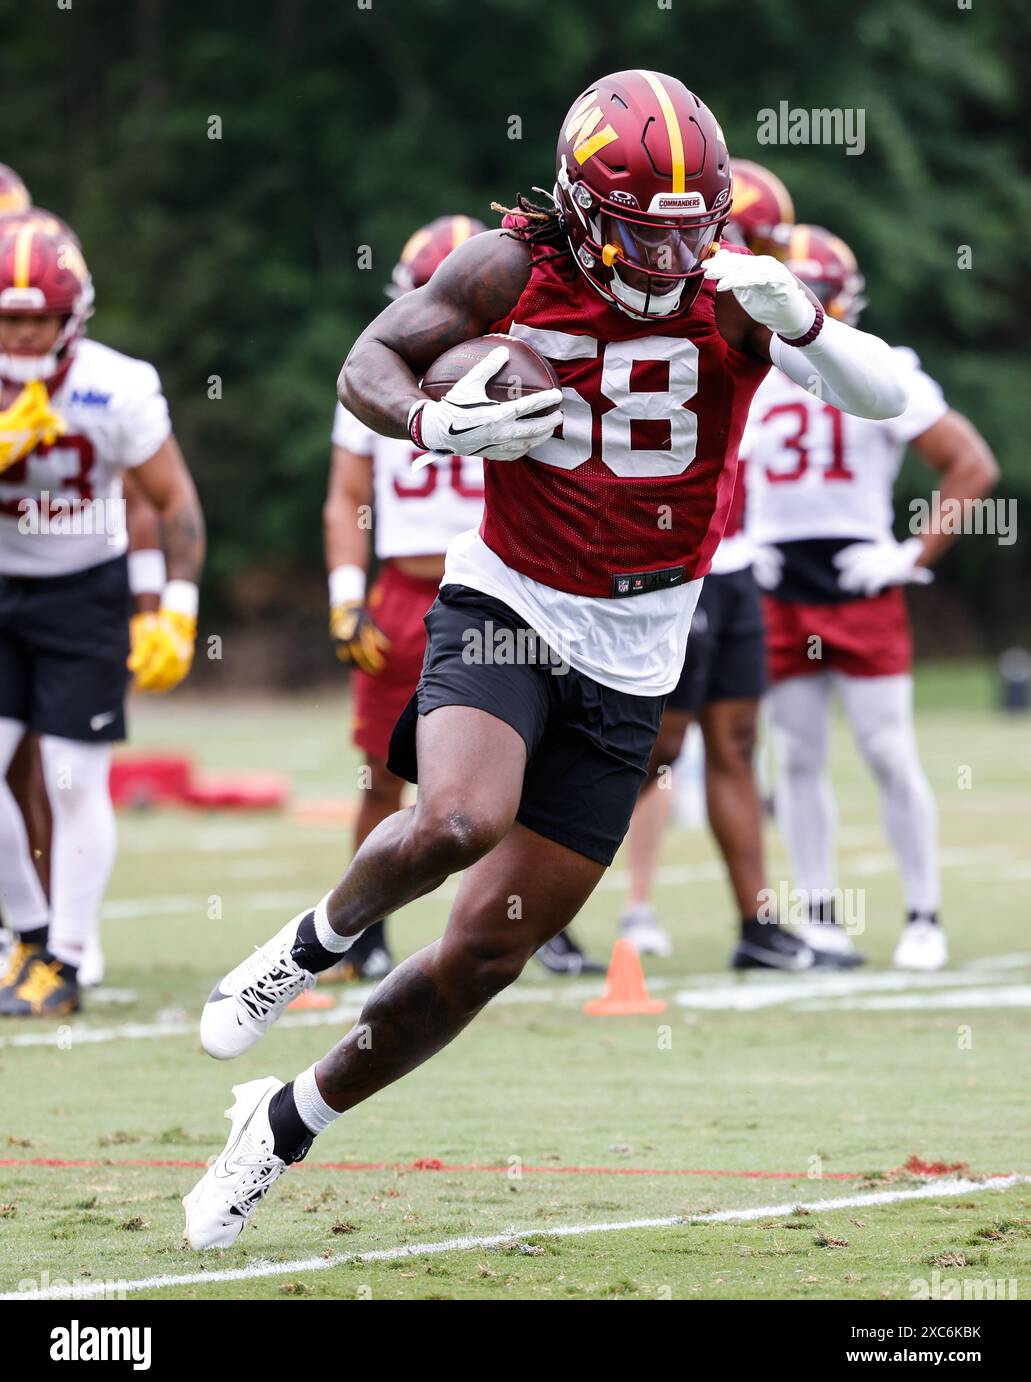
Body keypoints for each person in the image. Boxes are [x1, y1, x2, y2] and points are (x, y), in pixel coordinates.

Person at [184, 70, 907, 1251]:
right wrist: (435, 423)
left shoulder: (727, 292)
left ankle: (279, 1122)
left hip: (641, 639)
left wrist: (807, 322)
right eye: (640, 230)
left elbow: (876, 401)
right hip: (509, 595)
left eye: (689, 229)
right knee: (461, 817)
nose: (668, 256)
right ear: (578, 208)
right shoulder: (507, 267)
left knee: (485, 951)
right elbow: (366, 365)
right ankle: (304, 946)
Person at [324, 215, 604, 980]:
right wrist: (346, 596)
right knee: (384, 777)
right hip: (406, 590)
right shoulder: (383, 376)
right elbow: (347, 498)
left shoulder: (523, 362)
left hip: (502, 589)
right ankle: (361, 932)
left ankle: (529, 921)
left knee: (517, 775)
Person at [744, 225, 999, 970]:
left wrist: (907, 556)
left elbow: (970, 466)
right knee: (792, 756)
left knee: (888, 752)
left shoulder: (886, 372)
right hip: (776, 579)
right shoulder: (751, 370)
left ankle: (922, 915)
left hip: (857, 579)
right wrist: (737, 542)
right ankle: (820, 920)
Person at [618, 158, 849, 971]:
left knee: (734, 742)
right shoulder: (690, 314)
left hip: (738, 560)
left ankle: (757, 922)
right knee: (652, 748)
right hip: (677, 565)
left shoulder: (761, 315)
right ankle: (618, 910)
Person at [0, 220, 206, 1017]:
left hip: (83, 588)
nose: (20, 334)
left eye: (35, 318)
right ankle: (31, 932)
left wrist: (175, 610)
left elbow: (174, 500)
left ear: (70, 317)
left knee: (70, 776)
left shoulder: (114, 385)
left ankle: (69, 961)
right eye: (7, 318)